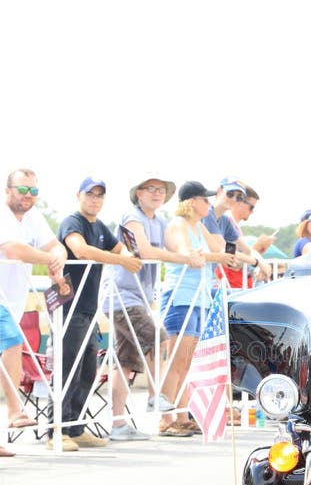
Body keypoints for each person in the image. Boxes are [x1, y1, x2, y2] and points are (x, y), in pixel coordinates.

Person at [102, 172, 206, 442]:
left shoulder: (160, 222)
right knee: (158, 338)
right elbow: (145, 251)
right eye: (151, 188)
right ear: (139, 193)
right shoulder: (131, 216)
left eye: (161, 190)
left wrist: (190, 253)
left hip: (140, 298)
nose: (157, 193)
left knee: (125, 363)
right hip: (121, 296)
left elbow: (176, 248)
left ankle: (118, 424)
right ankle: (155, 397)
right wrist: (184, 259)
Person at [47, 178, 142, 451]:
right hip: (68, 307)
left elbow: (120, 248)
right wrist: (122, 260)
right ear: (79, 195)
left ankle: (75, 428)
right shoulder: (72, 222)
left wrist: (131, 253)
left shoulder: (100, 227)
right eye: (90, 194)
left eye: (100, 195)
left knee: (87, 370)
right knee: (66, 369)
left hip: (89, 308)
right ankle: (56, 431)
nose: (95, 200)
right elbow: (80, 250)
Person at [159, 181, 235, 436]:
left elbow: (218, 249)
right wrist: (217, 256)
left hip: (198, 298)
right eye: (205, 200)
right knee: (176, 359)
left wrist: (220, 252)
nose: (209, 204)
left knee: (187, 361)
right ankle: (166, 417)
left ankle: (181, 415)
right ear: (193, 202)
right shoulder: (178, 224)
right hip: (181, 296)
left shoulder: (198, 225)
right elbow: (189, 253)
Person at [0, 169, 67, 455]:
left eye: (34, 191)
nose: (29, 196)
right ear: (8, 190)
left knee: (11, 342)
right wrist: (49, 258)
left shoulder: (34, 218)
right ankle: (15, 411)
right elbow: (12, 249)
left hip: (14, 301)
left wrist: (57, 259)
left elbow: (57, 246)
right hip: (2, 301)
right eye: (23, 189)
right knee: (13, 340)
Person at [202, 177, 270, 281]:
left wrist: (262, 263)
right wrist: (257, 263)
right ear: (219, 191)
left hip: (205, 278)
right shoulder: (208, 214)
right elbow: (224, 249)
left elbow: (247, 250)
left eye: (239, 197)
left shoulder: (225, 220)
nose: (234, 199)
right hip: (191, 278)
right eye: (230, 194)